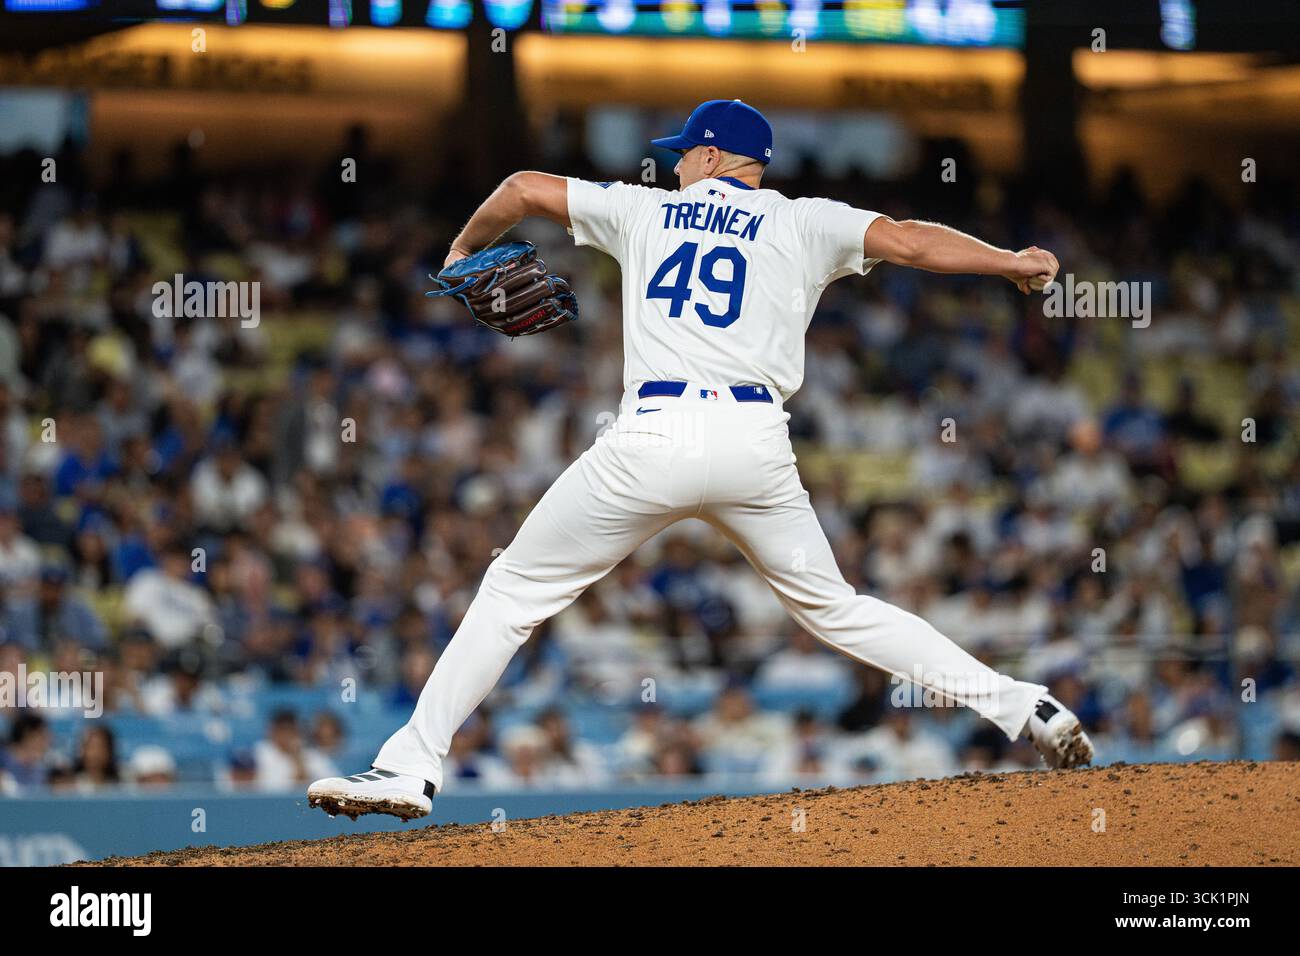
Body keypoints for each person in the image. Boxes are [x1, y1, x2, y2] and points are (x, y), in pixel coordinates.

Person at [309, 99, 1092, 820]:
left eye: (686, 152)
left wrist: (461, 248)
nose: (675, 163)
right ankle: (1025, 707)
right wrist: (1010, 260)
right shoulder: (806, 220)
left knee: (515, 588)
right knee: (837, 607)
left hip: (653, 436)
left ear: (715, 157)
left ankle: (411, 766)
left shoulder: (642, 208)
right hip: (756, 443)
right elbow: (915, 240)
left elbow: (519, 188)